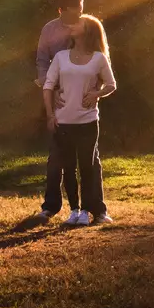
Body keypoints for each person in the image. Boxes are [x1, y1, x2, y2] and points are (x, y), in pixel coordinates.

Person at [42, 14, 117, 225]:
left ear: (88, 31)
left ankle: (86, 211)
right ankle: (73, 210)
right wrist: (50, 115)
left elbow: (111, 84)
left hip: (88, 121)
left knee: (87, 165)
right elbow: (48, 85)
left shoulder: (98, 58)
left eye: (78, 23)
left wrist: (96, 94)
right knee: (68, 167)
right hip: (63, 120)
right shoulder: (61, 57)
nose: (73, 25)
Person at [35, 0, 84, 219]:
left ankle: (94, 207)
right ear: (61, 10)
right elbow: (42, 59)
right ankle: (51, 206)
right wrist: (48, 86)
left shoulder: (87, 27)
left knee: (88, 157)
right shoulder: (49, 29)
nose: (78, 17)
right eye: (73, 14)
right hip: (57, 97)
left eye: (80, 13)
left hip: (82, 97)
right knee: (56, 155)